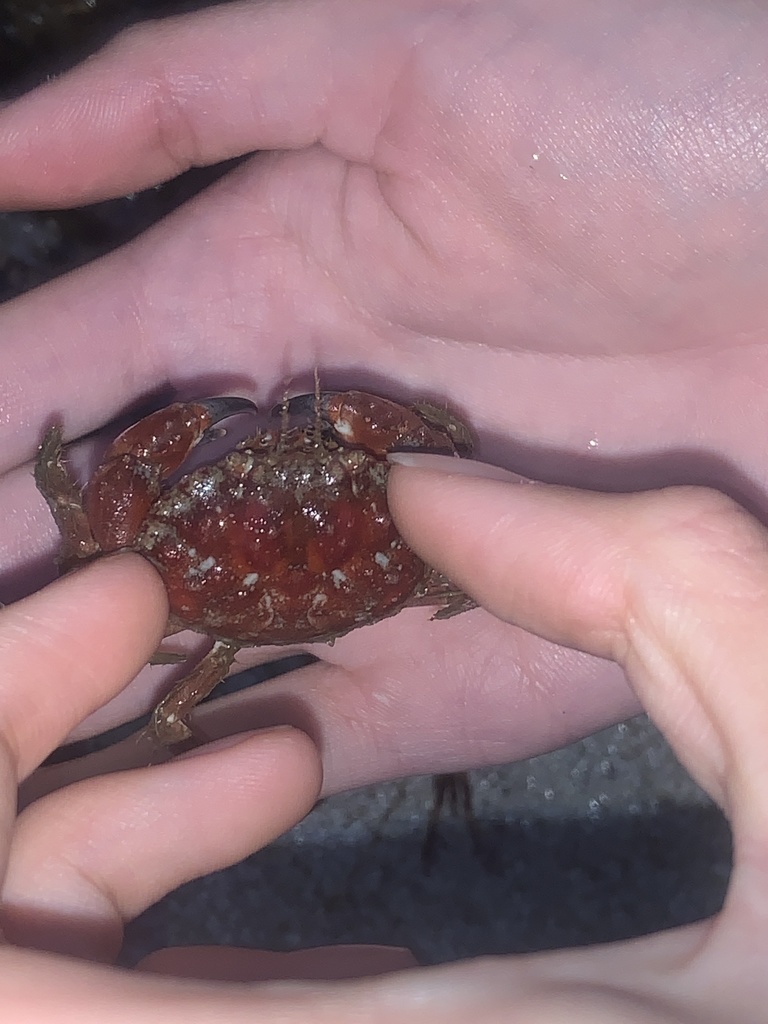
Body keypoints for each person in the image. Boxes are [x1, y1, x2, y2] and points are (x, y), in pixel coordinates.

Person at [0, 0, 766, 1017]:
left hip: (219, 622)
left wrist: (99, 492)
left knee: (117, 621)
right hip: (381, 580)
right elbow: (441, 452)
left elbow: (106, 544)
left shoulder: (173, 569)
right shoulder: (415, 529)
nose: (275, 476)